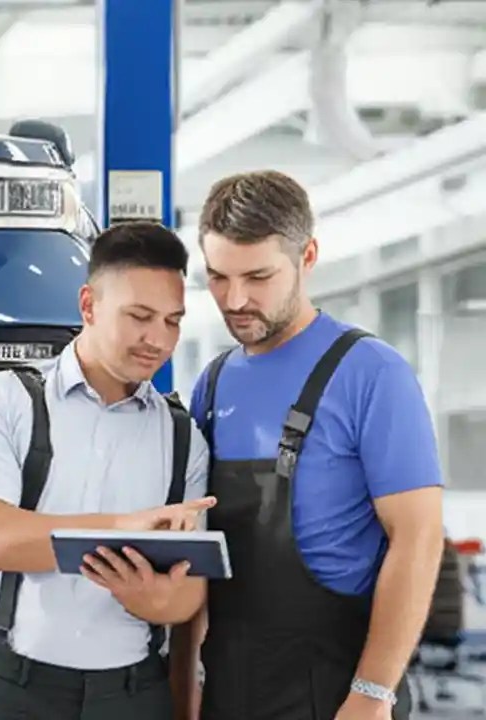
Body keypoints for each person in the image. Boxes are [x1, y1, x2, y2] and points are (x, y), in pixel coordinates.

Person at [186, 170, 446, 720]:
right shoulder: (212, 384)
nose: (235, 299)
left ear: (307, 257)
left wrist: (373, 693)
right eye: (218, 277)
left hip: (336, 687)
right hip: (229, 681)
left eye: (258, 276)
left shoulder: (372, 373)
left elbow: (418, 538)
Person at [0, 221, 215, 720]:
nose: (157, 339)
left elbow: (190, 593)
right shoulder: (5, 402)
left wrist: (154, 600)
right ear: (88, 305)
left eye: (172, 321)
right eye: (139, 316)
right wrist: (125, 528)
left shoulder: (183, 437)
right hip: (13, 689)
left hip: (133, 695)